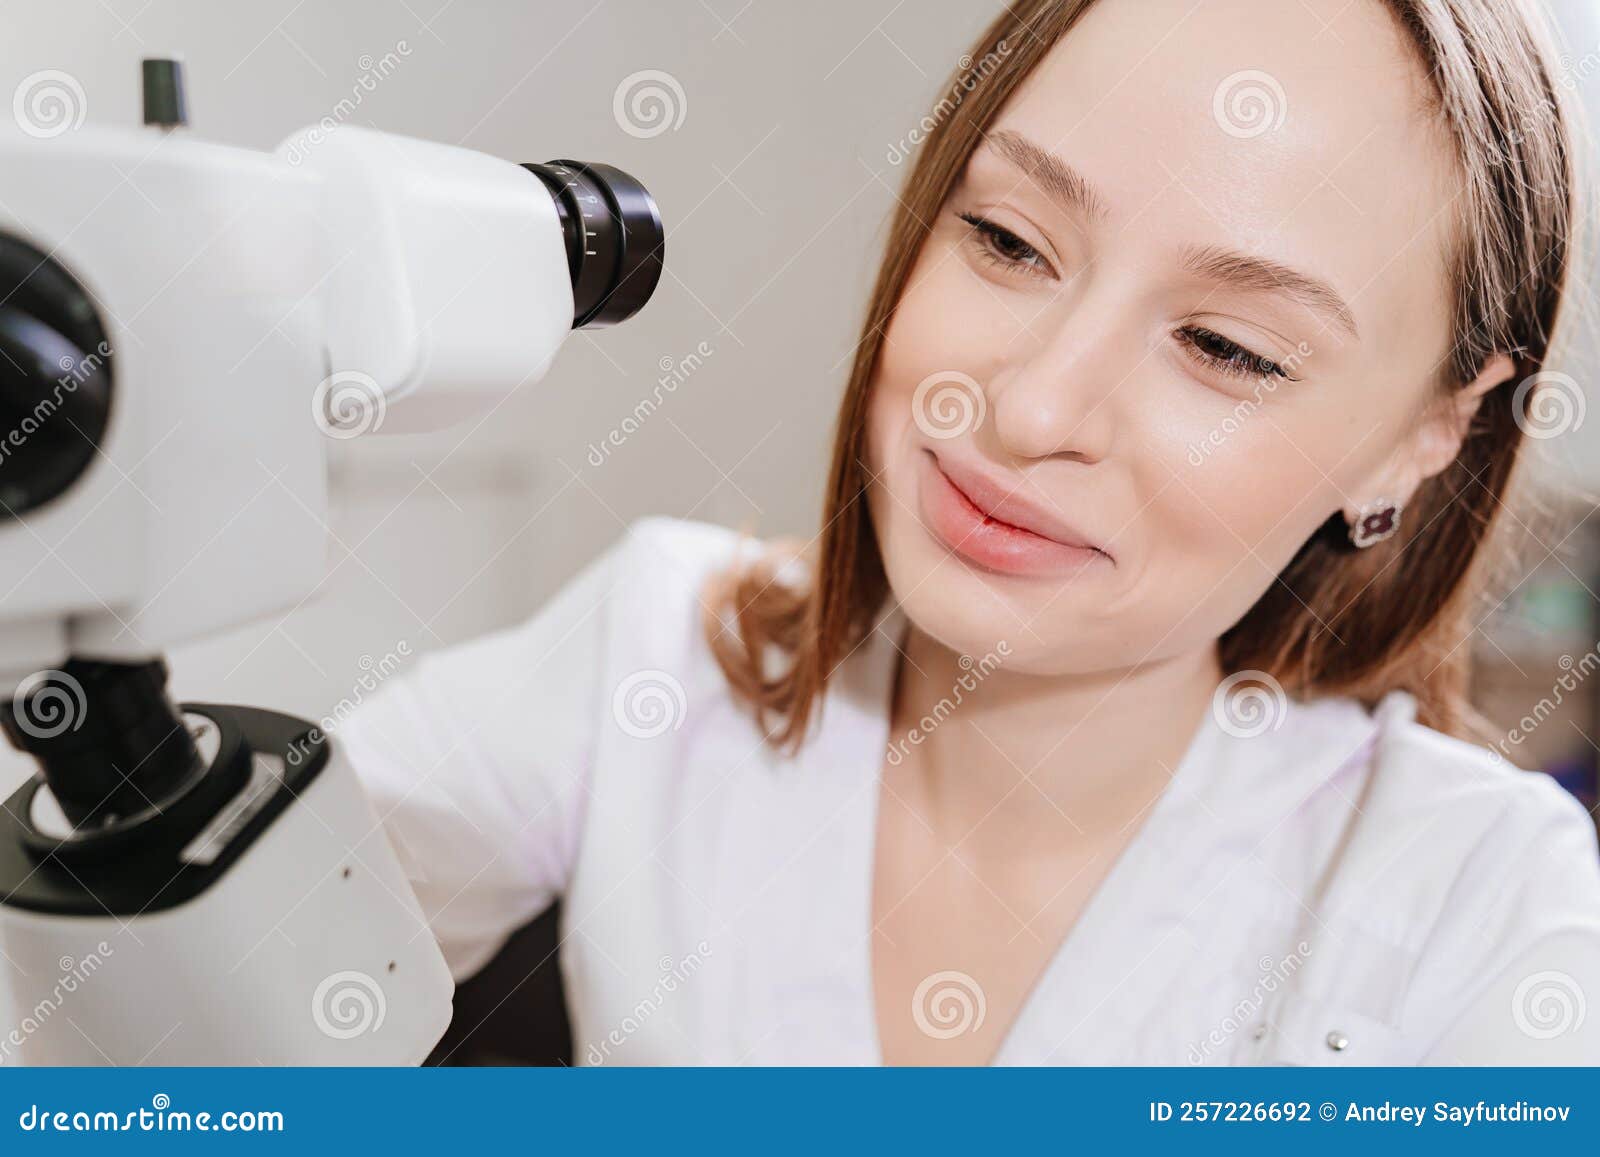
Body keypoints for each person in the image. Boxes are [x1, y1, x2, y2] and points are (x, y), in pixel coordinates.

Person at [341, 0, 1600, 1064]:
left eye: (1228, 347)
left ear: (1421, 434)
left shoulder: (1480, 908)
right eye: (1005, 239)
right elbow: (188, 986)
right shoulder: (653, 656)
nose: (1032, 403)